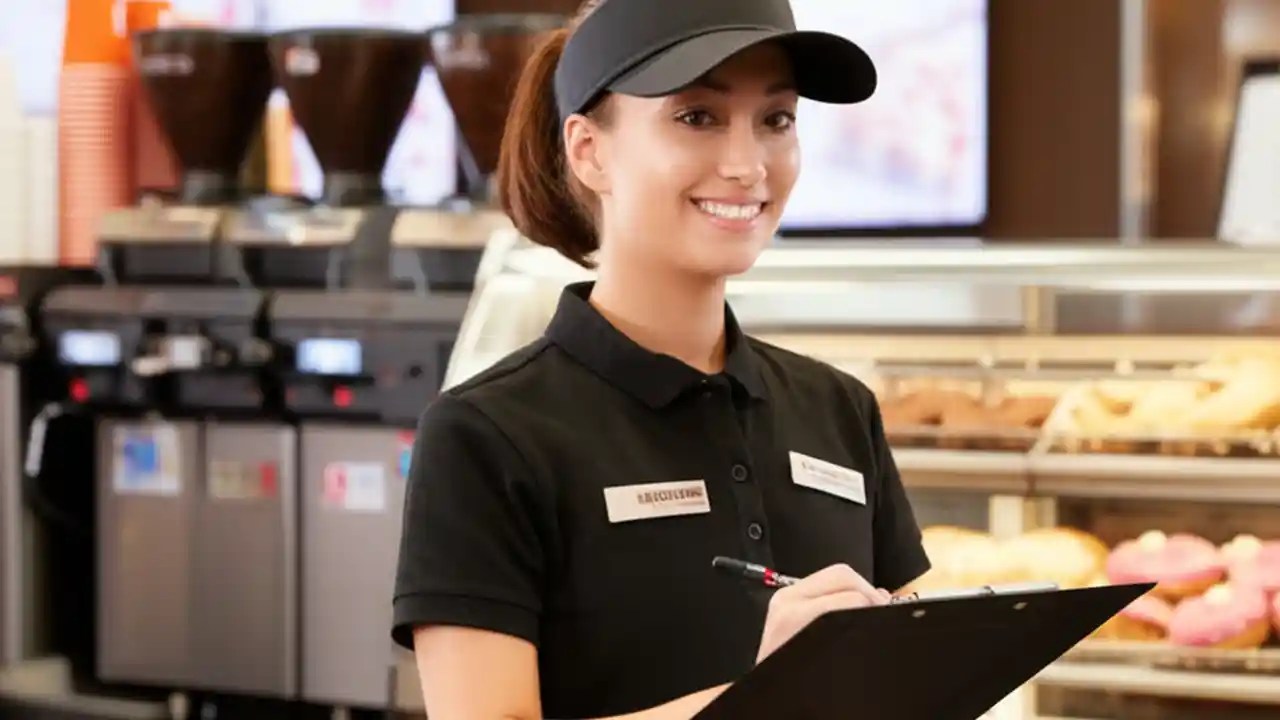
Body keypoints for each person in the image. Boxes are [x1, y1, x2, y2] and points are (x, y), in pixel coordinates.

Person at [392, 0, 930, 718]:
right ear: (590, 151)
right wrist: (763, 698)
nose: (746, 165)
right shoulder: (486, 435)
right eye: (696, 117)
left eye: (776, 120)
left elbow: (905, 682)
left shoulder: (838, 408)